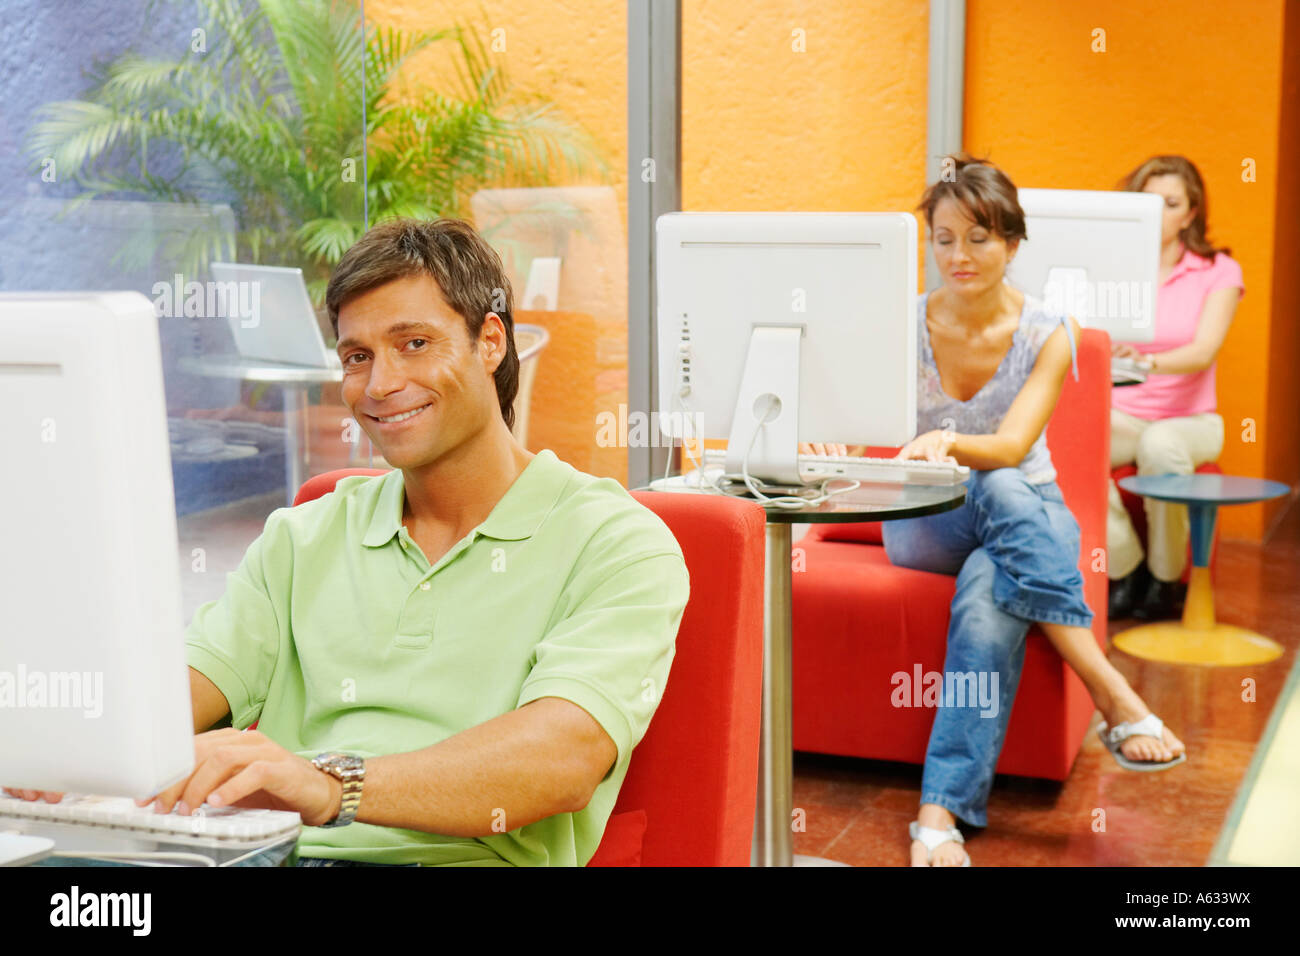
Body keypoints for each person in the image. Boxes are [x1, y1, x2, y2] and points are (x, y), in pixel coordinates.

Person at [6, 218, 690, 867]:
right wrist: (67, 744)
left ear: (490, 341)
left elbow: (559, 760)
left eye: (414, 343)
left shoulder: (617, 542)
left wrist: (330, 785)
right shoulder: (304, 537)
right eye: (358, 356)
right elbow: (168, 697)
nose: (382, 384)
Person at [812, 156, 1186, 866]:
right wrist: (826, 431)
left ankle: (938, 813)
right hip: (926, 523)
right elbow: (850, 420)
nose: (959, 256)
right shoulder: (903, 324)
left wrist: (947, 438)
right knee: (1004, 489)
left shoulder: (1049, 330)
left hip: (1017, 514)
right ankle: (1107, 685)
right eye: (944, 238)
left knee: (989, 590)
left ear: (1013, 243)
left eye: (979, 238)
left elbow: (1013, 444)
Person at [1106, 156, 1244, 621]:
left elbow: (1204, 351)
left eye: (1169, 204)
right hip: (1123, 413)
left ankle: (1167, 581)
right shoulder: (1113, 269)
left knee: (1161, 444)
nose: (1156, 213)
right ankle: (1125, 569)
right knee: (1064, 444)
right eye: (1146, 202)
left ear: (1190, 213)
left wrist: (1145, 362)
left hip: (1192, 421)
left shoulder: (1218, 270)